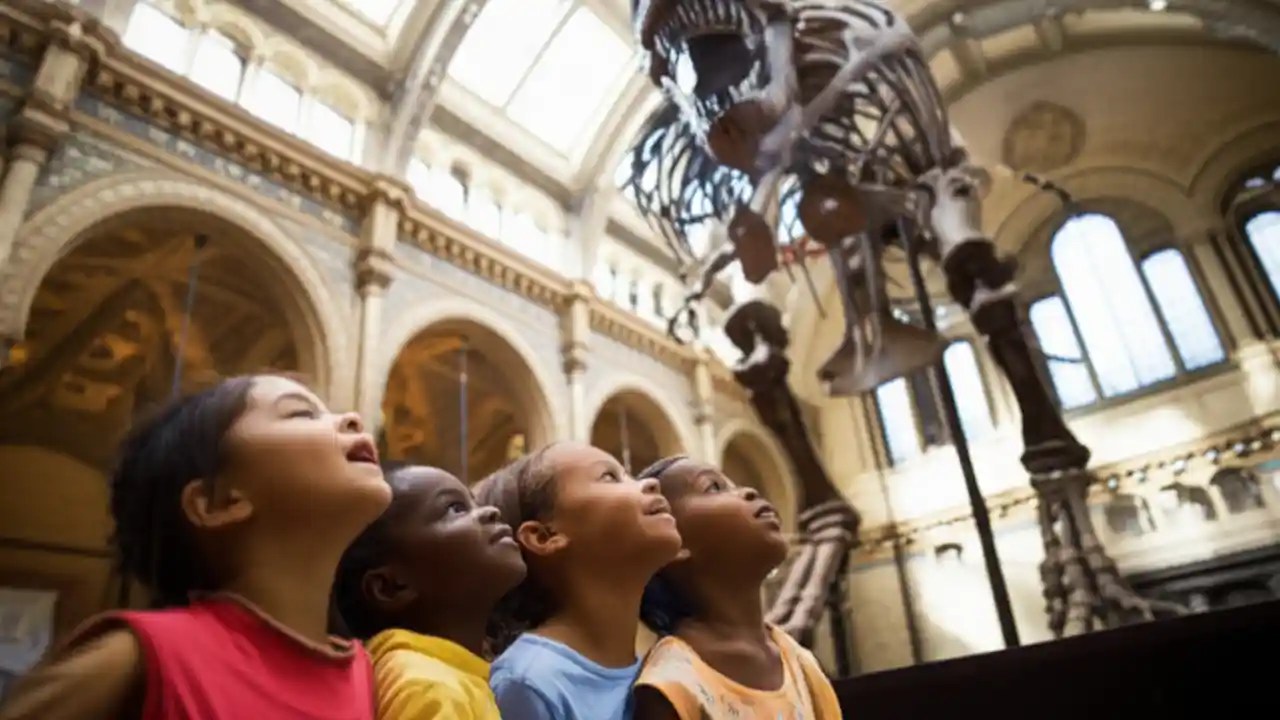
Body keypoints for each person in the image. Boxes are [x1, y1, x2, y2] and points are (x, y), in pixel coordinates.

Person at [0, 374, 391, 720]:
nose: (354, 419)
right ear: (219, 502)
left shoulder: (376, 680)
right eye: (300, 414)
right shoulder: (144, 660)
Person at [475, 442, 683, 720]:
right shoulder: (530, 684)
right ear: (544, 537)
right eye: (609, 476)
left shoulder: (668, 659)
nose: (649, 484)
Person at [631, 456, 842, 720]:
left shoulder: (802, 665)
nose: (749, 491)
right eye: (714, 487)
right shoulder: (670, 684)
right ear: (673, 543)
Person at [333, 463, 526, 720]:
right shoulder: (431, 688)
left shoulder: (450, 678)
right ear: (391, 586)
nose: (491, 512)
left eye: (474, 502)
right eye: (455, 509)